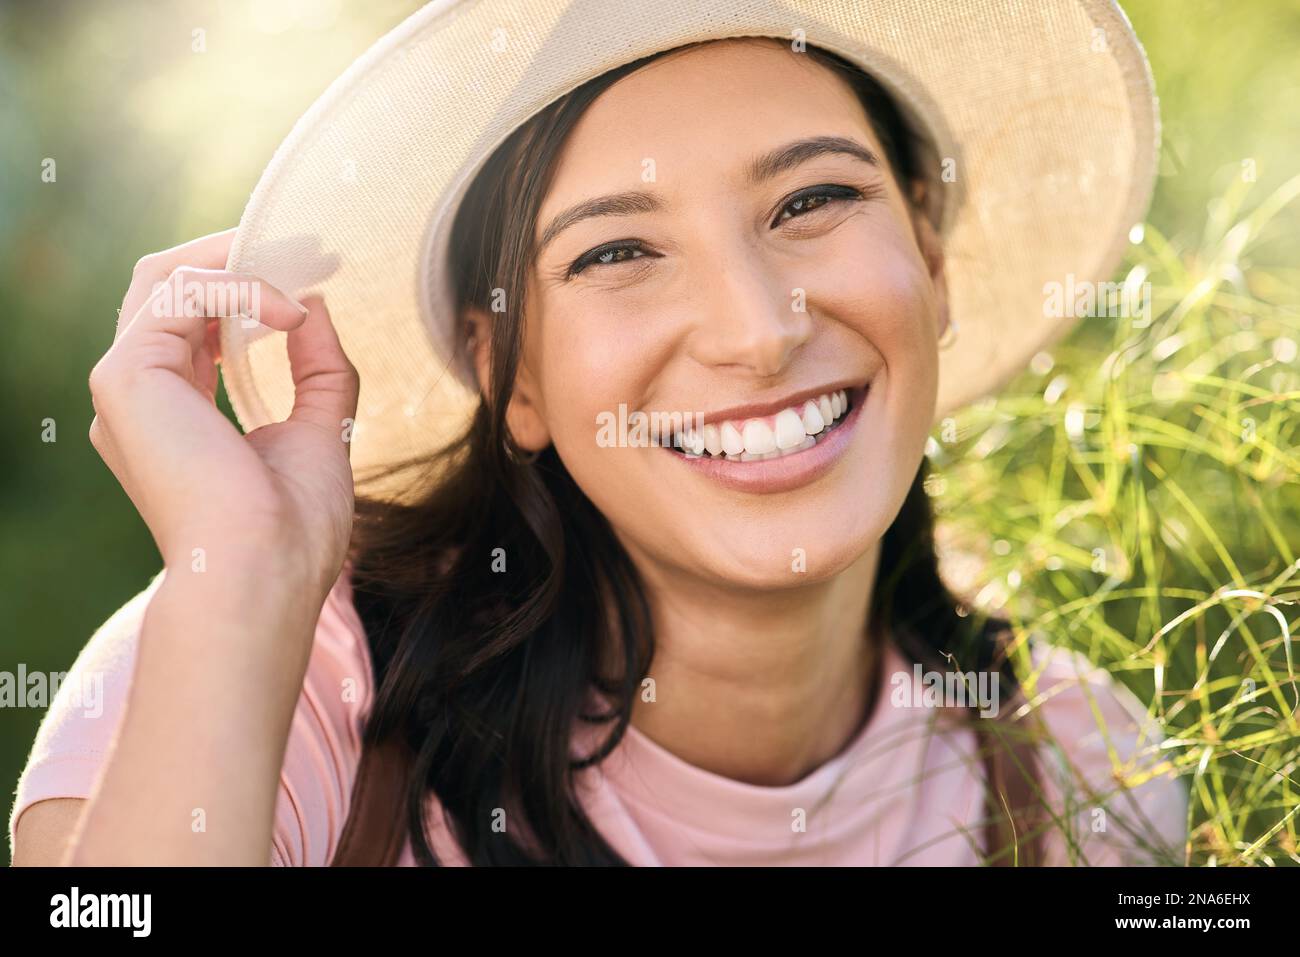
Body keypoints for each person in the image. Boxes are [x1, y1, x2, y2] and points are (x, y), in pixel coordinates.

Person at [10, 0, 1186, 866]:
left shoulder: (1075, 765)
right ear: (506, 373)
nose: (757, 333)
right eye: (616, 251)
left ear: (929, 261)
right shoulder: (282, 683)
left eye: (812, 200)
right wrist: (239, 578)